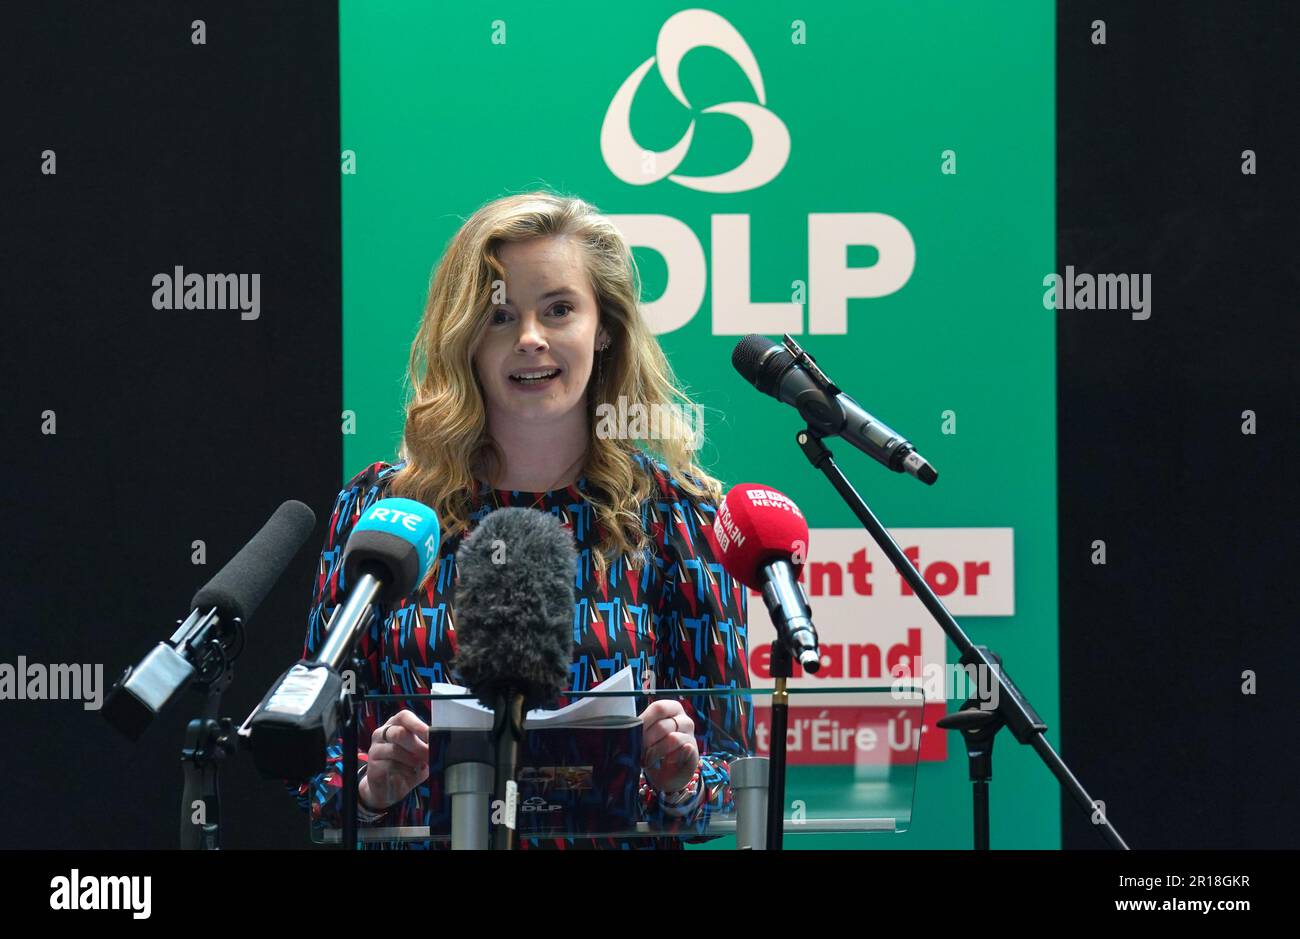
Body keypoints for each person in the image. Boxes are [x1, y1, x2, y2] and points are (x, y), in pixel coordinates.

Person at [287, 190, 754, 849]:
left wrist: (678, 776)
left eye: (558, 309)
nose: (530, 338)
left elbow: (733, 771)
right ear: (466, 339)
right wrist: (369, 789)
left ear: (604, 327)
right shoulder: (384, 510)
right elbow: (312, 757)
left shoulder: (679, 513)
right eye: (500, 315)